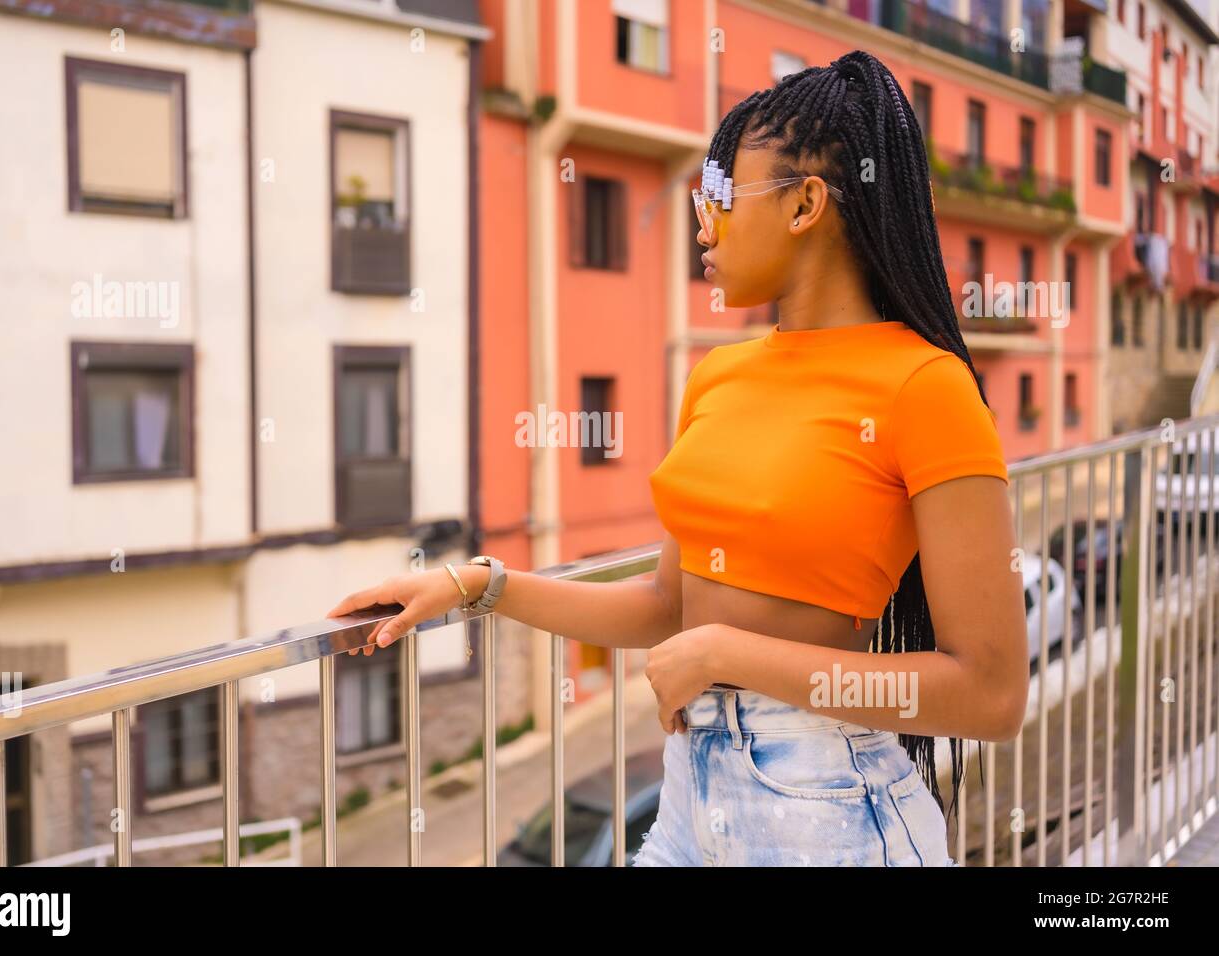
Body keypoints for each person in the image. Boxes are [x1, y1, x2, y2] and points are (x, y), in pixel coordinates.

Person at [326, 49, 1028, 867]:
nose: (702, 222)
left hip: (827, 807)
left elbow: (991, 692)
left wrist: (727, 655)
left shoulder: (926, 387)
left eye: (721, 197)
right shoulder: (718, 374)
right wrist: (478, 586)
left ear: (806, 205)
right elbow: (669, 606)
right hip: (693, 790)